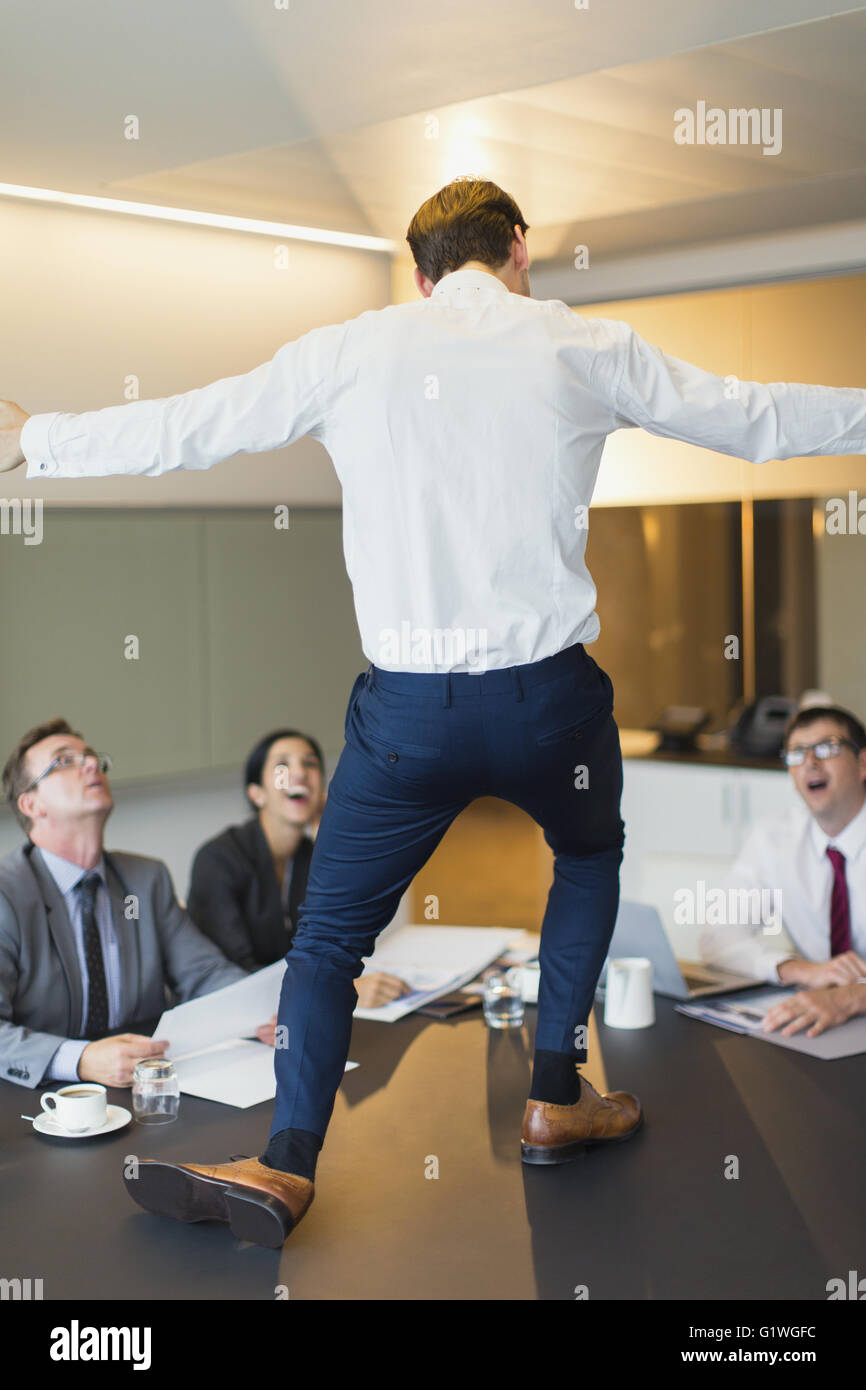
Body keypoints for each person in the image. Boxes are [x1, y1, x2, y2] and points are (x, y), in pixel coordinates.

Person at [2, 176, 865, 1248]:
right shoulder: (578, 343)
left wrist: (43, 441)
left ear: (417, 272)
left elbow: (197, 424)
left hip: (405, 717)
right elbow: (752, 415)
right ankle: (556, 1092)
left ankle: (285, 1161)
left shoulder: (352, 348)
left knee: (324, 940)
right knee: (587, 858)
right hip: (551, 701)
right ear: (517, 249)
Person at [0, 718, 274, 1090]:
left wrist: (261, 1010)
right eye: (64, 761)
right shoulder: (7, 892)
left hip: (144, 1089)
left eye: (92, 758)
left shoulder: (146, 880)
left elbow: (205, 974)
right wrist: (79, 1058)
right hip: (40, 1101)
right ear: (31, 804)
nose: (92, 764)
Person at [187, 728, 409, 1007]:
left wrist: (331, 842)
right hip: (237, 1014)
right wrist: (336, 990)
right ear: (257, 794)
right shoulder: (218, 859)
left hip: (295, 1008)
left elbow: (351, 934)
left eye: (310, 763)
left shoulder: (312, 854)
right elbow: (235, 973)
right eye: (282, 765)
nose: (300, 773)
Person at [700, 704, 866, 1037]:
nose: (810, 763)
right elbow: (717, 938)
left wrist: (852, 997)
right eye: (796, 753)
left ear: (863, 763)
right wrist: (799, 970)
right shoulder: (774, 837)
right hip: (821, 1024)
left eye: (827, 748)